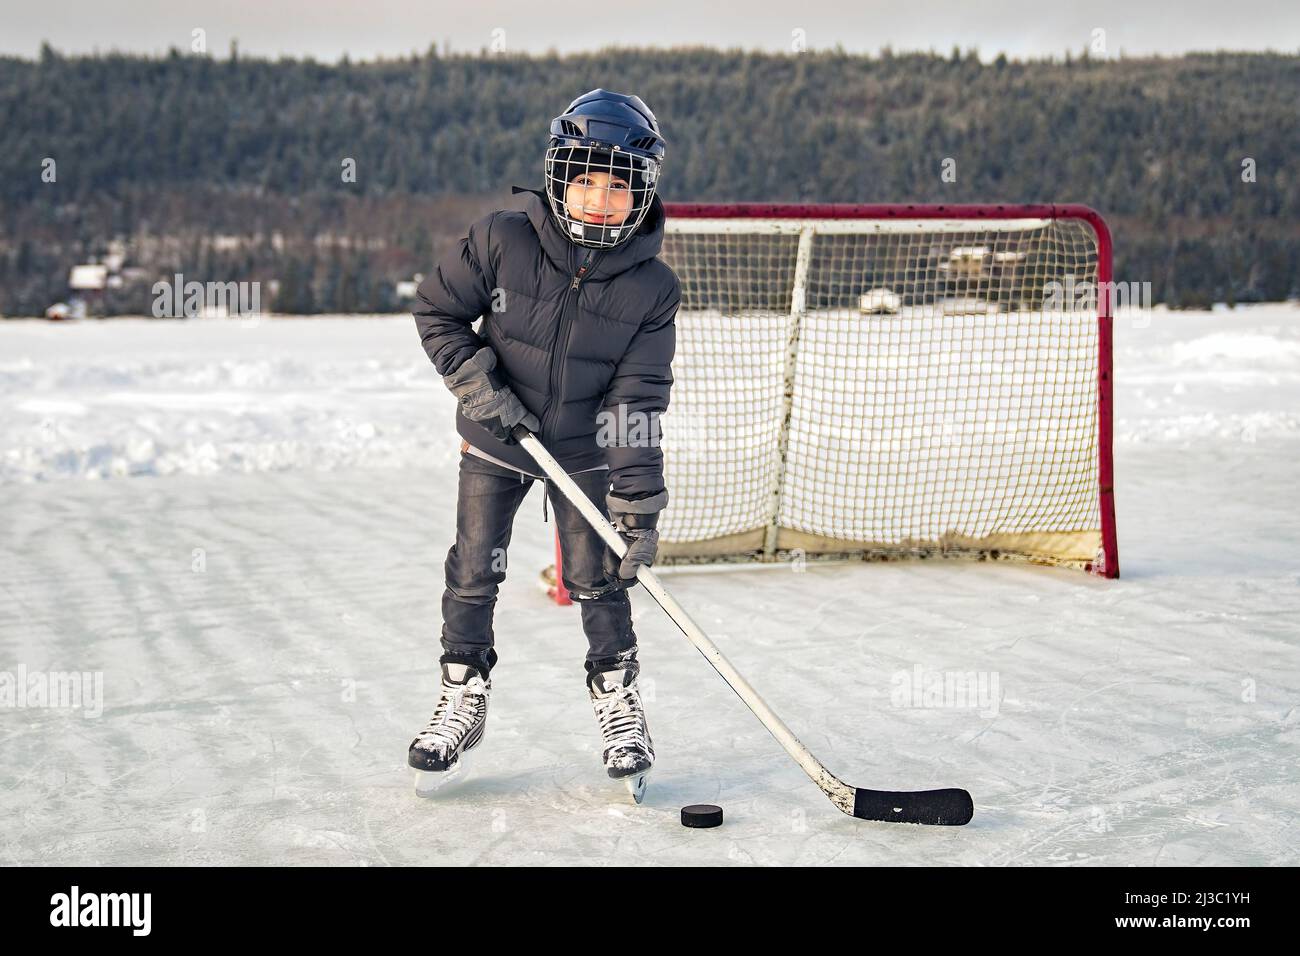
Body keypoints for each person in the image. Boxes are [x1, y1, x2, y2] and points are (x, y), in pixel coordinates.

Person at [408, 89, 680, 799]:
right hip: (497, 437)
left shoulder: (652, 288)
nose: (597, 200)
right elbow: (438, 310)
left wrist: (638, 502)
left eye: (618, 187)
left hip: (584, 452)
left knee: (598, 578)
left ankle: (619, 705)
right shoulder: (503, 238)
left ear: (642, 196)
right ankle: (462, 694)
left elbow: (638, 397)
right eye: (584, 179)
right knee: (474, 567)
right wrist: (474, 382)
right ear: (558, 175)